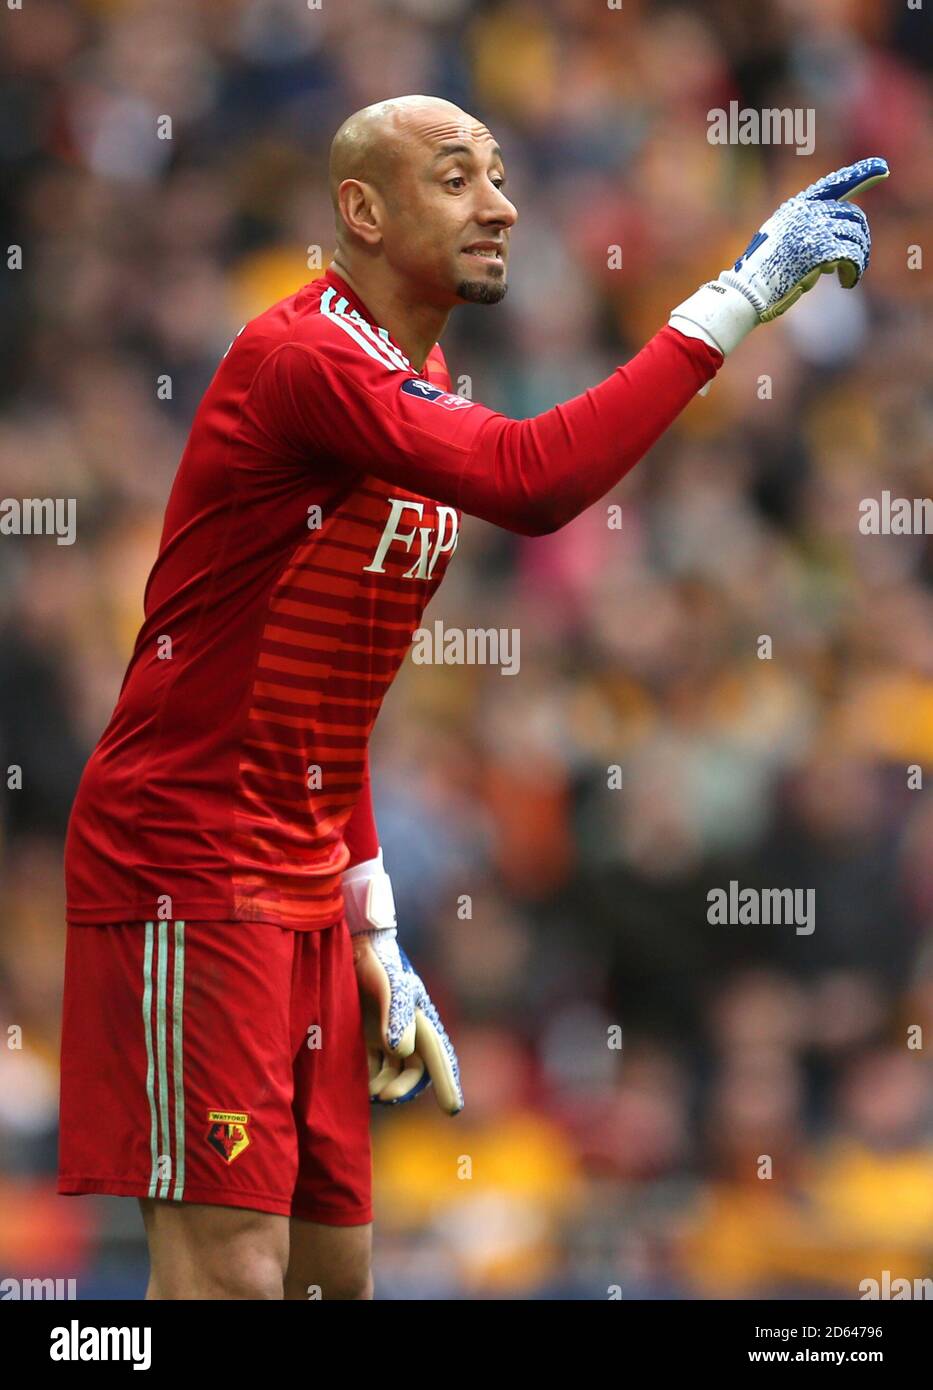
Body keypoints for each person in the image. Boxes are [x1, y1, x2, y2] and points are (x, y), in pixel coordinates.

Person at [57, 93, 886, 1300]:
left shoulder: (420, 373)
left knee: (331, 1273)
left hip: (302, 875)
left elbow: (333, 699)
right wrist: (740, 293)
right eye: (457, 178)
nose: (501, 203)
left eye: (500, 173)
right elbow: (535, 480)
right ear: (363, 210)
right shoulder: (301, 359)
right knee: (230, 1271)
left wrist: (371, 914)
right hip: (188, 856)